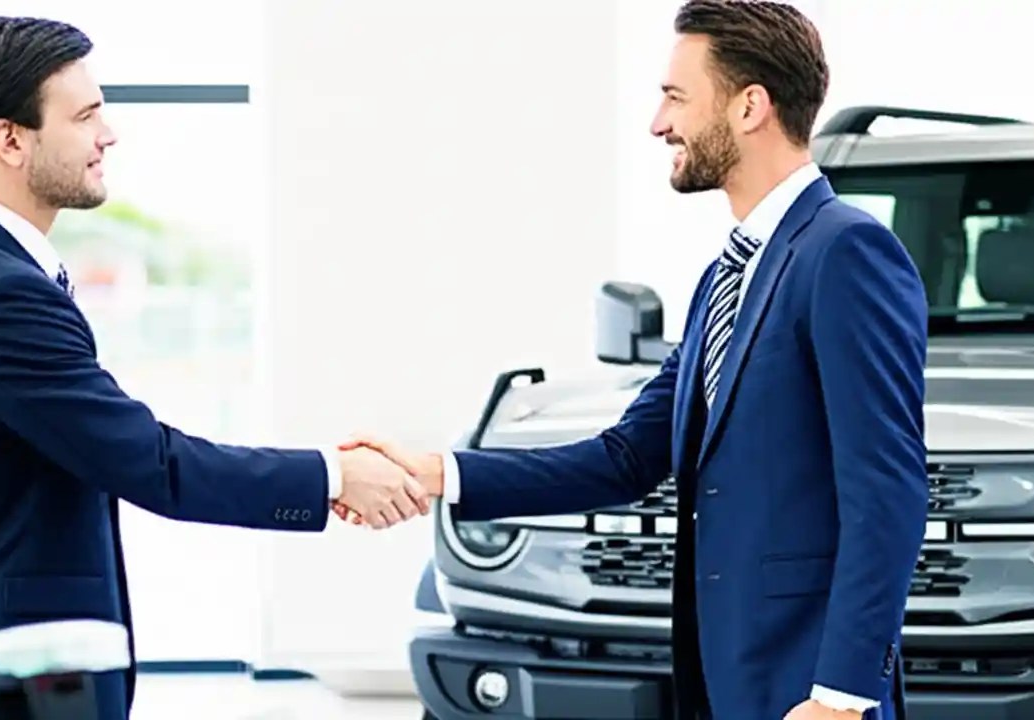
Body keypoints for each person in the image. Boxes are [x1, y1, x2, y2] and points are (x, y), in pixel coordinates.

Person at [337, 1, 929, 718]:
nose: (659, 124)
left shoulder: (845, 251)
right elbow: (623, 458)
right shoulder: (725, 278)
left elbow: (887, 494)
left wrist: (840, 696)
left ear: (750, 107)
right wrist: (435, 472)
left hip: (807, 691)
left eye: (676, 96)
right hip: (723, 679)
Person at [0, 16, 428, 720]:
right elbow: (151, 462)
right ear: (9, 139)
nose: (108, 135)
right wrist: (333, 475)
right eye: (84, 116)